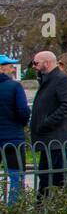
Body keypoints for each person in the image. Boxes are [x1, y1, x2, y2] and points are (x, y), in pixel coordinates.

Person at [29, 51, 67, 198]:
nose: (34, 66)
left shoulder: (61, 79)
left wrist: (46, 123)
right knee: (50, 174)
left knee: (53, 174)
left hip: (55, 137)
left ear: (46, 63)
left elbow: (66, 107)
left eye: (36, 63)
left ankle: (43, 206)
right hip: (48, 138)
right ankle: (46, 204)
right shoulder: (47, 79)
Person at [0, 54, 30, 204]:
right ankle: (13, 208)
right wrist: (22, 123)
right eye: (9, 65)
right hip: (12, 137)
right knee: (16, 175)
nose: (12, 69)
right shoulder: (14, 86)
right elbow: (23, 112)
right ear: (1, 68)